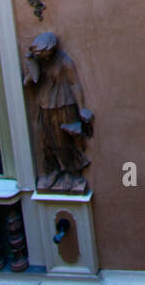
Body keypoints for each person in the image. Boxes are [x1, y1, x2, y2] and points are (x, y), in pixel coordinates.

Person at [23, 32, 93, 193]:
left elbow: (75, 84)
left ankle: (71, 172)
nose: (43, 57)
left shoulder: (65, 61)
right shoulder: (39, 61)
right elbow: (31, 78)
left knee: (63, 141)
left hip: (63, 105)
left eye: (45, 53)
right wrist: (30, 68)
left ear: (52, 49)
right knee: (45, 140)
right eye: (40, 54)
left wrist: (81, 107)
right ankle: (52, 170)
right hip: (45, 105)